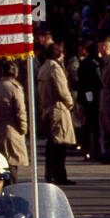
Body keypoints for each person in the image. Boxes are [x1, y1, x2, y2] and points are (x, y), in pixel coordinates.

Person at [36, 43, 76, 185]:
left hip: (47, 107)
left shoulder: (43, 68)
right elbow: (62, 90)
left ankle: (50, 173)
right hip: (58, 107)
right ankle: (59, 175)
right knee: (59, 145)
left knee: (51, 144)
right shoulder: (55, 68)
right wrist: (70, 103)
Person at [0, 60, 28, 182]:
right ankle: (11, 193)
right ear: (15, 74)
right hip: (11, 130)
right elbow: (20, 111)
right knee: (11, 164)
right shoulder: (15, 89)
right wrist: (23, 129)